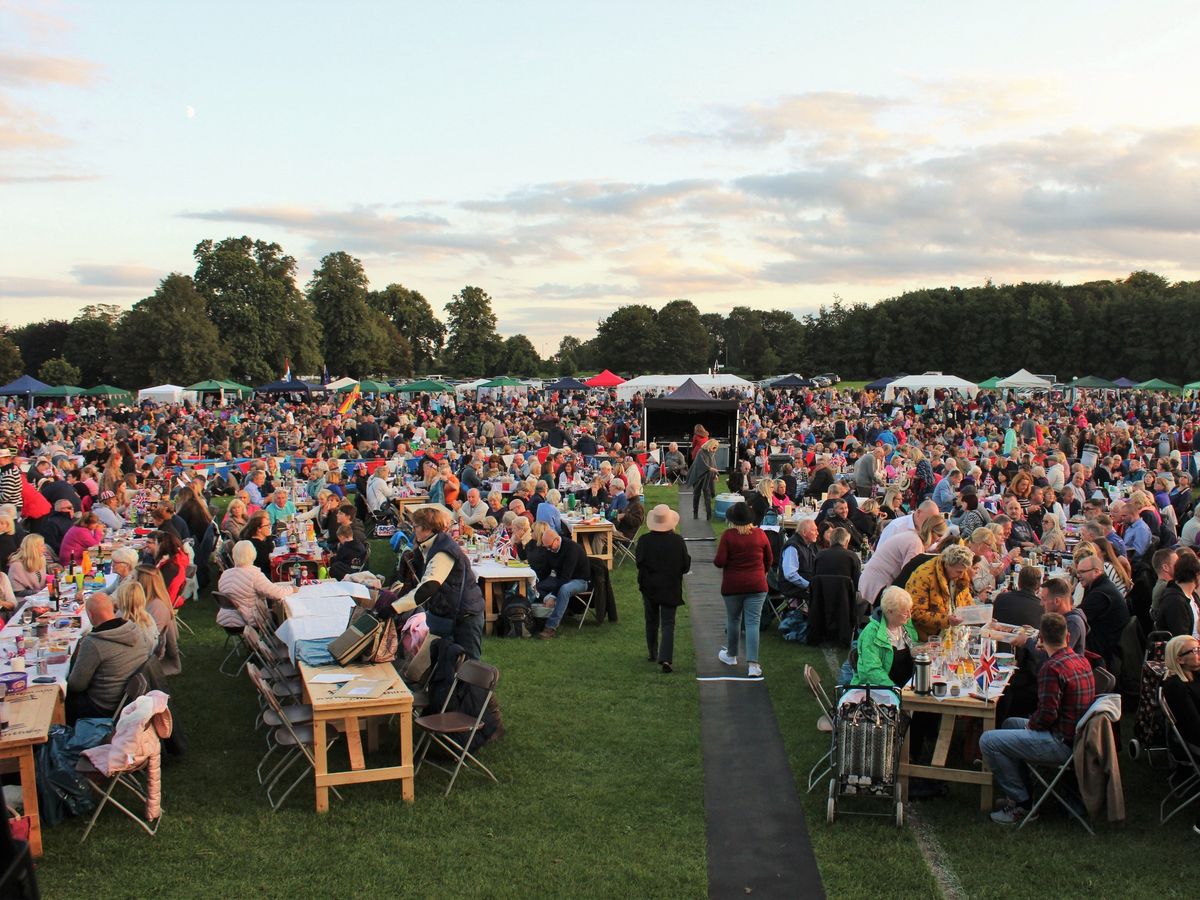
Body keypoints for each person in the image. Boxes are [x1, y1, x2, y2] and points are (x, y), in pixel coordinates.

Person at [981, 612, 1096, 825]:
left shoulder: (1051, 668)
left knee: (988, 740)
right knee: (1009, 723)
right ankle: (1024, 790)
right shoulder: (1080, 659)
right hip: (1076, 735)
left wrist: (1031, 726)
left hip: (1061, 742)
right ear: (1068, 636)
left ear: (1041, 640)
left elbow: (1046, 716)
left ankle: (1022, 804)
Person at [375, 506, 486, 658]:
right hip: (448, 612)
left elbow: (428, 587)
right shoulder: (432, 545)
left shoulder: (443, 551)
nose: (413, 530)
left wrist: (394, 608)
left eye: (415, 526)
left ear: (427, 528)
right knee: (443, 662)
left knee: (468, 664)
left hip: (464, 615)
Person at [65, 592, 154, 723]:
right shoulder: (134, 629)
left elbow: (76, 685)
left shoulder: (94, 643)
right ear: (112, 609)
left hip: (103, 707)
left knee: (61, 698)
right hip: (128, 700)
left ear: (90, 615)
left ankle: (61, 739)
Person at [713, 502, 772, 678]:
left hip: (733, 585)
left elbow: (719, 561)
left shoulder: (728, 536)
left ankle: (731, 655)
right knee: (753, 623)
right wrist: (763, 572)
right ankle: (753, 665)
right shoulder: (760, 535)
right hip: (757, 584)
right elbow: (769, 559)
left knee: (733, 620)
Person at [636, 504, 690, 673]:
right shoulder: (677, 541)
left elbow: (639, 562)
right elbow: (685, 565)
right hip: (670, 586)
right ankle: (666, 658)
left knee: (651, 621)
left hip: (650, 586)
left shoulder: (644, 541)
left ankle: (653, 652)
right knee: (668, 624)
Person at [859, 514, 948, 607]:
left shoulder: (913, 536)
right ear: (931, 532)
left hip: (871, 582)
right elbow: (909, 577)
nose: (938, 540)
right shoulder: (915, 543)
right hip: (878, 587)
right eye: (939, 535)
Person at [1160, 634, 1200, 836]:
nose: (1198, 654)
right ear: (1179, 659)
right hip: (1191, 742)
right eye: (1194, 651)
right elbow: (1194, 726)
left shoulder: (1195, 675)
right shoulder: (1176, 687)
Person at [216, 540, 296, 630]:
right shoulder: (254, 574)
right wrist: (292, 589)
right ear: (253, 554)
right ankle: (278, 641)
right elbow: (276, 593)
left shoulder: (225, 574)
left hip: (226, 621)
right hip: (248, 620)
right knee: (276, 616)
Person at [904, 543, 975, 640]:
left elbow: (967, 602)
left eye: (964, 571)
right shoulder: (924, 576)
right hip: (929, 639)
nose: (962, 575)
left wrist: (979, 615)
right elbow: (915, 612)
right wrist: (947, 620)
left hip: (955, 638)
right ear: (946, 564)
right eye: (958, 571)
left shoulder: (961, 575)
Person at [1075, 547, 1131, 671]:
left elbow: (1075, 618)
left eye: (1082, 572)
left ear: (1096, 571)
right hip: (1107, 643)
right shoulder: (1100, 586)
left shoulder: (1100, 594)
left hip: (1104, 652)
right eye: (1077, 572)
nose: (1078, 576)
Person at [533, 526, 592, 641]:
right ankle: (540, 616)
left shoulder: (571, 548)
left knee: (564, 590)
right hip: (562, 579)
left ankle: (551, 626)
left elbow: (566, 576)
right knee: (537, 587)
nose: (549, 550)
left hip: (580, 580)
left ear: (556, 540)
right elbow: (546, 570)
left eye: (550, 547)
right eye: (547, 548)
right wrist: (535, 581)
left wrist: (554, 596)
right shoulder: (550, 548)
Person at [853, 587, 918, 687]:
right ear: (890, 612)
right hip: (881, 690)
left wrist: (919, 649)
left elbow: (913, 646)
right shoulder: (871, 633)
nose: (909, 615)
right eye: (905, 612)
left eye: (910, 610)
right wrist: (896, 690)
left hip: (908, 685)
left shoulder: (905, 624)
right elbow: (873, 671)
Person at [133, 565, 181, 676]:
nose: (130, 582)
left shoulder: (157, 606)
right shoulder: (145, 601)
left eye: (133, 578)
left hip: (148, 656)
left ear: (142, 582)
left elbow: (151, 641)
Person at [1154, 551, 1200, 638]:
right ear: (1196, 575)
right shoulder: (1175, 602)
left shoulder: (1192, 594)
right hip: (1188, 648)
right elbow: (1182, 640)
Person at [779, 518, 820, 600]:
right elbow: (790, 575)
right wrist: (809, 585)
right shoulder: (792, 547)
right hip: (792, 587)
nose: (817, 533)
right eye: (814, 530)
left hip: (804, 583)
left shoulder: (808, 545)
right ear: (804, 533)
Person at [113, 579, 159, 650]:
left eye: (118, 597)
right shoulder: (148, 617)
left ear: (123, 601)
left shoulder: (123, 623)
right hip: (150, 656)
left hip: (138, 658)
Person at [993, 565, 1044, 629]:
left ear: (1018, 582)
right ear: (1038, 586)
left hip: (1000, 637)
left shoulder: (1001, 598)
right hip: (1026, 638)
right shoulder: (1042, 607)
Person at [687, 438, 720, 520]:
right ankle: (695, 513)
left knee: (707, 495)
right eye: (714, 447)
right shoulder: (701, 452)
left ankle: (709, 515)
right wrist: (711, 469)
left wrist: (715, 474)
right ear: (710, 445)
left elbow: (713, 464)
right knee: (697, 494)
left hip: (707, 476)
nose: (715, 449)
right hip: (698, 476)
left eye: (716, 447)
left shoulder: (711, 453)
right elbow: (701, 463)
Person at [240, 511, 275, 577]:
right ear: (259, 529)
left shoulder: (261, 540)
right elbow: (267, 564)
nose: (269, 527)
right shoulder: (256, 545)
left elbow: (271, 549)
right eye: (267, 525)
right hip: (261, 576)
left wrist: (268, 536)